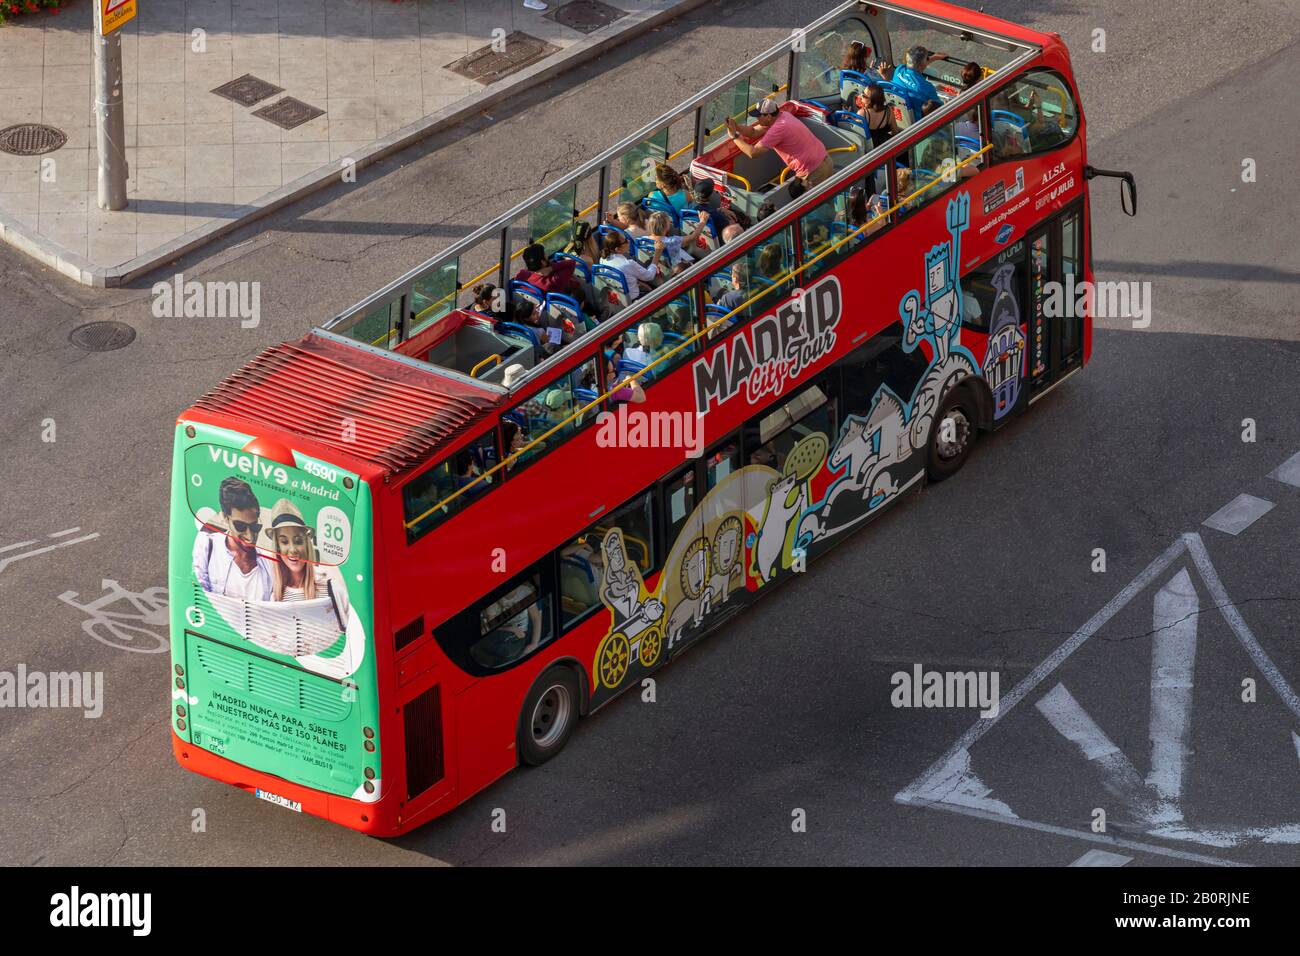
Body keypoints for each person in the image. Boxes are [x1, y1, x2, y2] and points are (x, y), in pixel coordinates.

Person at [262, 499, 351, 626]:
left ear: (307, 544)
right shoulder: (275, 598)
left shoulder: (332, 588)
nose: (292, 550)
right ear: (277, 547)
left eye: (298, 541)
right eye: (284, 542)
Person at [193, 477, 275, 601]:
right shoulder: (208, 546)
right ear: (226, 518)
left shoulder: (269, 563)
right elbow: (198, 595)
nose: (250, 537)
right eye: (240, 526)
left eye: (254, 527)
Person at [726, 97, 833, 190]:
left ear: (768, 117)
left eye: (759, 116)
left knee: (807, 206)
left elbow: (753, 152)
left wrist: (734, 137)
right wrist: (736, 126)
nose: (757, 119)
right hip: (824, 160)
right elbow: (754, 132)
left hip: (813, 171)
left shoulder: (778, 129)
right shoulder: (783, 116)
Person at [516, 242, 606, 320]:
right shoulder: (553, 280)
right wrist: (551, 268)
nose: (547, 256)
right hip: (565, 305)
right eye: (545, 255)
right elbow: (571, 264)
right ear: (542, 262)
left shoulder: (521, 275)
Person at [599, 230, 662, 302]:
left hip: (619, 299)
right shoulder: (627, 264)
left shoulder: (603, 259)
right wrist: (658, 251)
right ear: (618, 249)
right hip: (634, 300)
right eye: (625, 241)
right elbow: (649, 276)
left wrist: (640, 283)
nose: (628, 241)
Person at [892, 45, 948, 111]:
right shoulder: (927, 88)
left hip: (900, 111)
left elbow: (916, 65)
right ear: (922, 64)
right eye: (927, 58)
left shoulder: (899, 70)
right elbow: (940, 108)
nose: (928, 59)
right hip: (920, 118)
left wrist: (934, 58)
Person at [858, 84, 899, 149]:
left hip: (870, 149)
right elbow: (895, 131)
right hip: (885, 147)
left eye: (863, 95)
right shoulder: (888, 110)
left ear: (871, 100)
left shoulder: (862, 113)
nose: (860, 95)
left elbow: (857, 136)